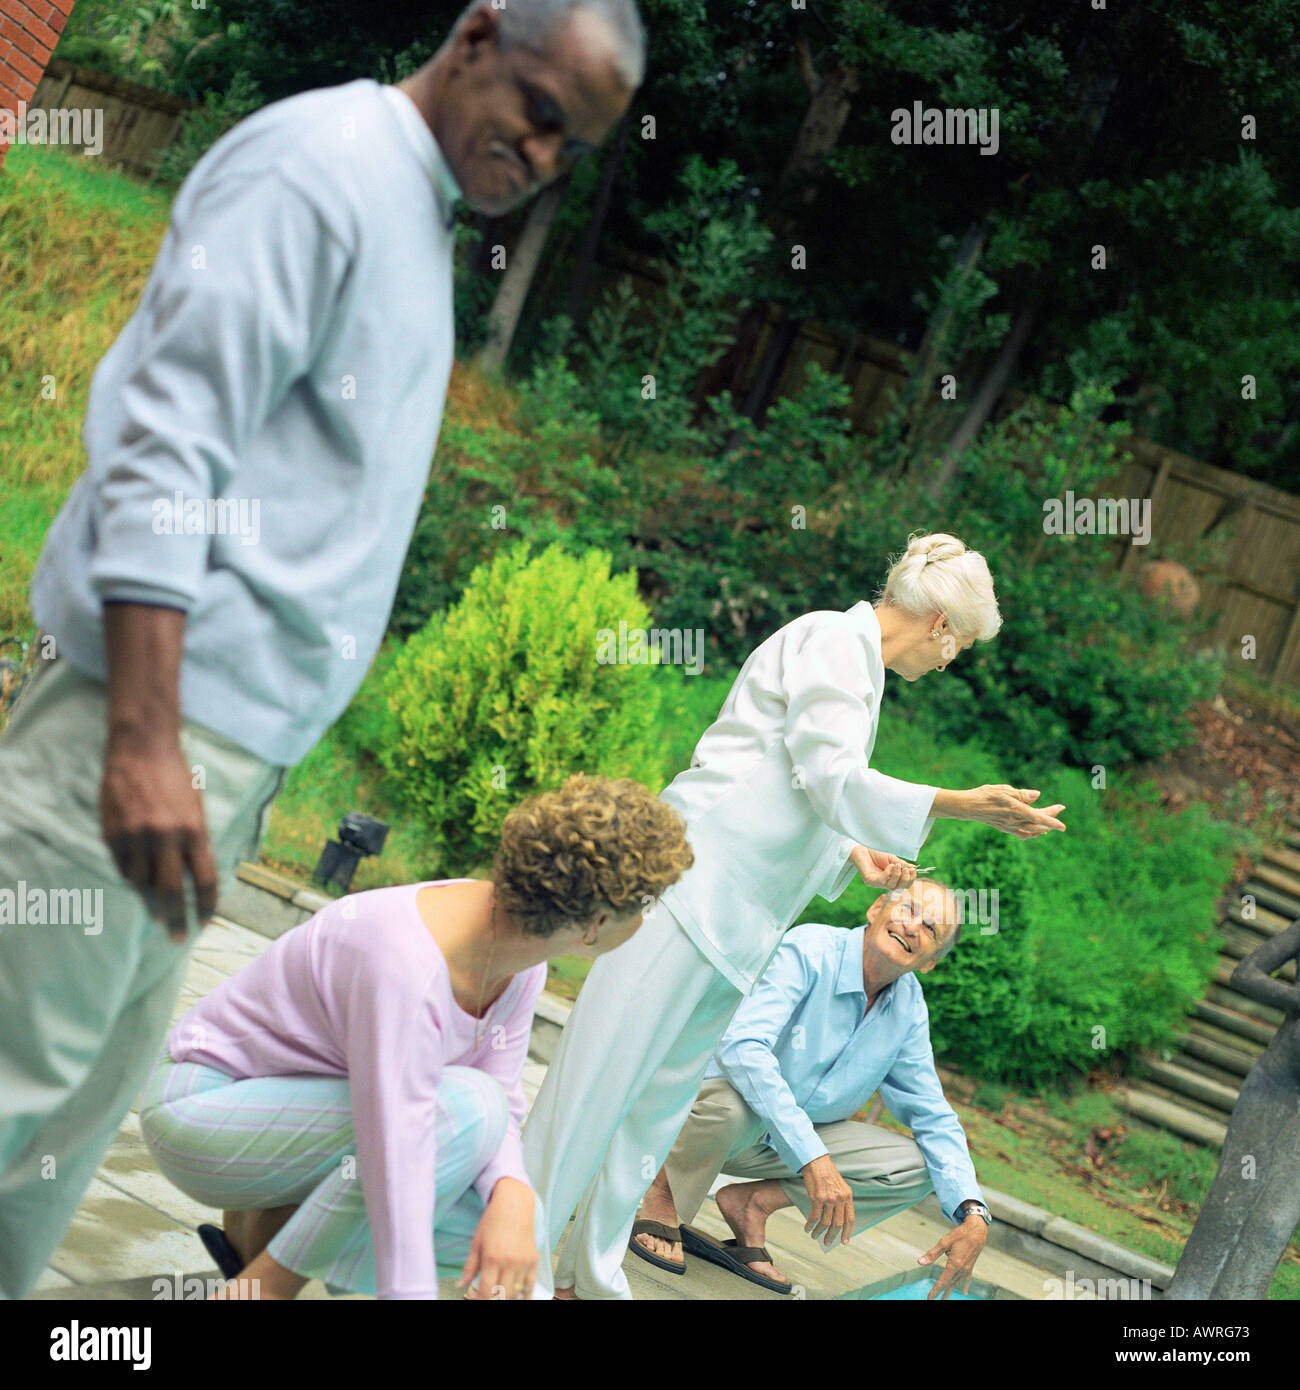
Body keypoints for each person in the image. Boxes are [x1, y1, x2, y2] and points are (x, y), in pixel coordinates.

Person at [0, 0, 645, 1300]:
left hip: (214, 759)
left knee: (64, 1125)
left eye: (569, 147)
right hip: (136, 731)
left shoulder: (415, 220)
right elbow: (167, 439)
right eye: (536, 108)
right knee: (17, 1083)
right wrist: (138, 735)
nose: (540, 155)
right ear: (473, 37)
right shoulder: (327, 166)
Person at [523, 531, 1066, 1300]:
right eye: (960, 647)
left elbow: (798, 783)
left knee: (654, 1110)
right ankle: (509, 1259)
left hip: (737, 925)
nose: (951, 664)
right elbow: (829, 771)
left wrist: (853, 854)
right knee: (595, 1083)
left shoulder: (860, 668)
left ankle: (587, 1272)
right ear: (942, 625)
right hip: (691, 891)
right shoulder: (834, 640)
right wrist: (959, 805)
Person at [138, 775, 689, 1301]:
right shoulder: (402, 963)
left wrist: (516, 1196)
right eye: (644, 907)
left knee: (508, 1228)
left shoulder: (523, 959)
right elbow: (398, 1159)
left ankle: (271, 1228)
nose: (646, 922)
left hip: (303, 1121)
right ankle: (262, 1285)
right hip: (201, 1111)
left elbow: (498, 1106)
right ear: (593, 922)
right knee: (464, 1107)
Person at [631, 878, 991, 1299]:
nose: (913, 927)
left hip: (778, 1143)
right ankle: (662, 1194)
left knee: (916, 1164)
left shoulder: (908, 1007)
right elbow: (743, 1048)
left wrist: (974, 1212)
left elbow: (931, 1112)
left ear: (930, 962)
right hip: (705, 1115)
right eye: (907, 909)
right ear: (876, 909)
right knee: (735, 1105)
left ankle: (752, 1205)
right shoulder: (810, 949)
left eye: (931, 928)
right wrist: (812, 1156)